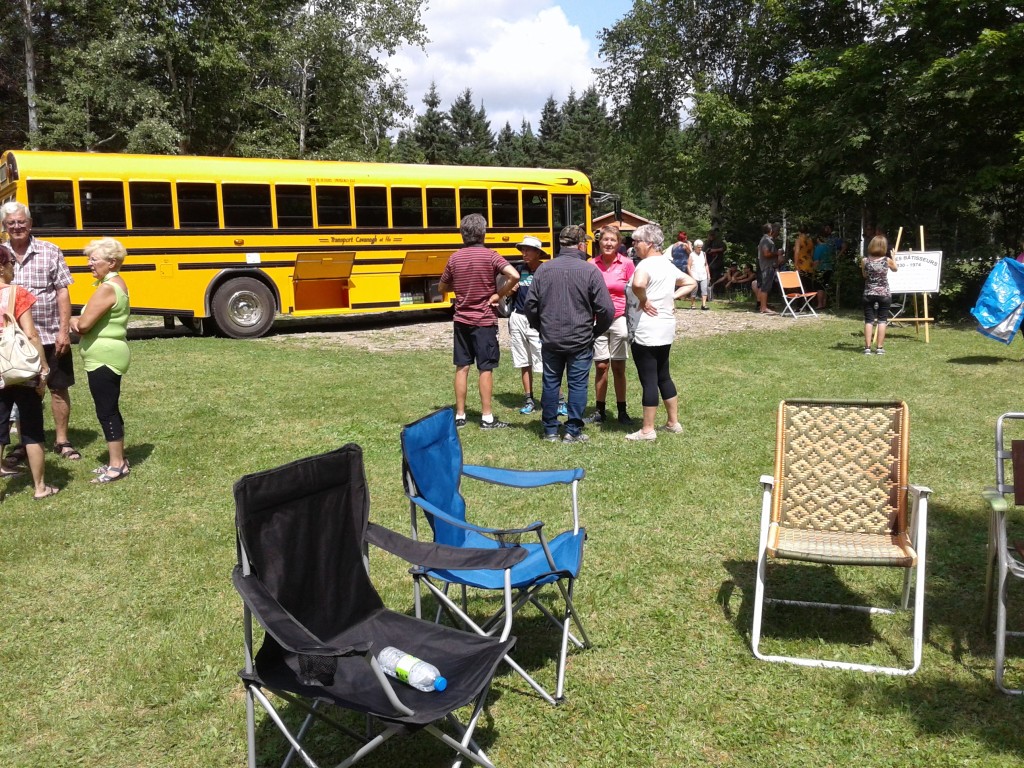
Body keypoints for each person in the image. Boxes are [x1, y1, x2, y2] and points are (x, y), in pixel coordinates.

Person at [0, 201, 78, 464]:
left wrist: (64, 331)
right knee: (20, 391)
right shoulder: (0, 253)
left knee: (58, 388)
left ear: (30, 223)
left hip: (49, 333)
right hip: (13, 342)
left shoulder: (50, 250)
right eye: (11, 223)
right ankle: (25, 444)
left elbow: (63, 290)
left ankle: (62, 440)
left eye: (22, 222)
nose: (17, 226)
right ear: (4, 226)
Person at [524, 225, 613, 443]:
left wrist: (540, 327)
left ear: (560, 244)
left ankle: (550, 430)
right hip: (580, 338)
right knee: (578, 384)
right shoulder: (590, 271)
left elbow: (530, 305)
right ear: (581, 244)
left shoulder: (544, 270)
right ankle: (572, 430)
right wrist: (595, 331)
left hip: (551, 337)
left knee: (551, 382)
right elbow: (607, 310)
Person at [438, 214, 520, 429]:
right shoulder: (491, 256)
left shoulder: (455, 258)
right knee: (485, 368)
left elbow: (441, 287)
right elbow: (514, 275)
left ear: (462, 234)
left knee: (462, 367)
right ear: (484, 232)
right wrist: (498, 295)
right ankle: (486, 417)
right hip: (484, 320)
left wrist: (458, 286)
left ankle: (460, 415)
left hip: (461, 319)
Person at [624, 223, 697, 441]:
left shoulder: (645, 265)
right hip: (665, 327)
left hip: (646, 329)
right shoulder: (667, 265)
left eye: (636, 241)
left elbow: (638, 284)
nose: (634, 245)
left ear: (649, 244)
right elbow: (690, 282)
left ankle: (647, 430)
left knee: (649, 379)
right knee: (663, 374)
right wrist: (671, 298)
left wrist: (644, 300)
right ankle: (673, 422)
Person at [69, 238, 133, 482]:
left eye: (94, 259)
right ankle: (116, 460)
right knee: (109, 407)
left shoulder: (107, 288)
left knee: (106, 410)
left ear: (112, 262)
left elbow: (84, 325)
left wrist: (73, 321)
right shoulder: (114, 283)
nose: (89, 263)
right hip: (107, 353)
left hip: (104, 356)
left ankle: (117, 465)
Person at [0, 248, 58, 499]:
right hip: (22, 369)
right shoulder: (17, 293)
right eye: (11, 262)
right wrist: (43, 368)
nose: (15, 266)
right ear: (2, 266)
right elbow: (32, 334)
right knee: (32, 427)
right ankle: (40, 487)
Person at [586, 225, 635, 425]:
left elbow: (634, 291)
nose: (608, 243)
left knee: (619, 367)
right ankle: (599, 410)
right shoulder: (591, 264)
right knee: (601, 366)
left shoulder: (627, 264)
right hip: (597, 321)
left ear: (619, 244)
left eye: (613, 240)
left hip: (619, 319)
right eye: (605, 239)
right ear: (599, 242)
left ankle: (622, 410)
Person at [508, 236, 546, 415]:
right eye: (522, 250)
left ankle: (558, 400)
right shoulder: (518, 270)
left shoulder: (545, 270)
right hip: (518, 317)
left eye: (528, 250)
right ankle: (529, 399)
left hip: (537, 321)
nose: (524, 253)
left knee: (545, 362)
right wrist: (511, 289)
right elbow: (506, 294)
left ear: (538, 252)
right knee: (524, 361)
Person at [861, 234, 898, 355]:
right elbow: (895, 269)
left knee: (869, 321)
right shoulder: (887, 260)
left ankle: (867, 348)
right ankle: (880, 348)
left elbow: (864, 276)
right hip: (884, 293)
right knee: (882, 320)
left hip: (869, 292)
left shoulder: (865, 261)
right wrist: (894, 257)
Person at [754, 223, 780, 315]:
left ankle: (763, 306)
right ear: (770, 230)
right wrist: (777, 253)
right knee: (765, 287)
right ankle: (763, 307)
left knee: (765, 287)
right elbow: (766, 254)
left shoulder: (767, 240)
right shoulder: (766, 240)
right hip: (767, 266)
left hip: (768, 266)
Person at [687, 239, 710, 310]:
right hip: (694, 275)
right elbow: (688, 266)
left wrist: (708, 273)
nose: (700, 248)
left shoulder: (703, 254)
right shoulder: (692, 255)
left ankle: (703, 305)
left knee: (704, 290)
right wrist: (691, 275)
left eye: (701, 247)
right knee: (694, 290)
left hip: (703, 275)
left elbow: (706, 264)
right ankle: (693, 304)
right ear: (695, 247)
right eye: (698, 247)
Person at [812, 233, 833, 309]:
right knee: (825, 286)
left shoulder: (818, 248)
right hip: (829, 268)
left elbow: (816, 261)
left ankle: (819, 304)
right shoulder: (829, 247)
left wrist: (813, 270)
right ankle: (824, 303)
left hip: (821, 269)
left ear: (818, 239)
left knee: (819, 286)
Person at [705, 229, 726, 300]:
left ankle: (717, 293)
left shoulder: (719, 242)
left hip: (717, 263)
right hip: (708, 263)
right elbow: (704, 250)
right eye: (709, 235)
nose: (710, 237)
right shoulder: (707, 242)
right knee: (709, 278)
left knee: (717, 278)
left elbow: (723, 248)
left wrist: (714, 250)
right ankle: (708, 293)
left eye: (712, 235)